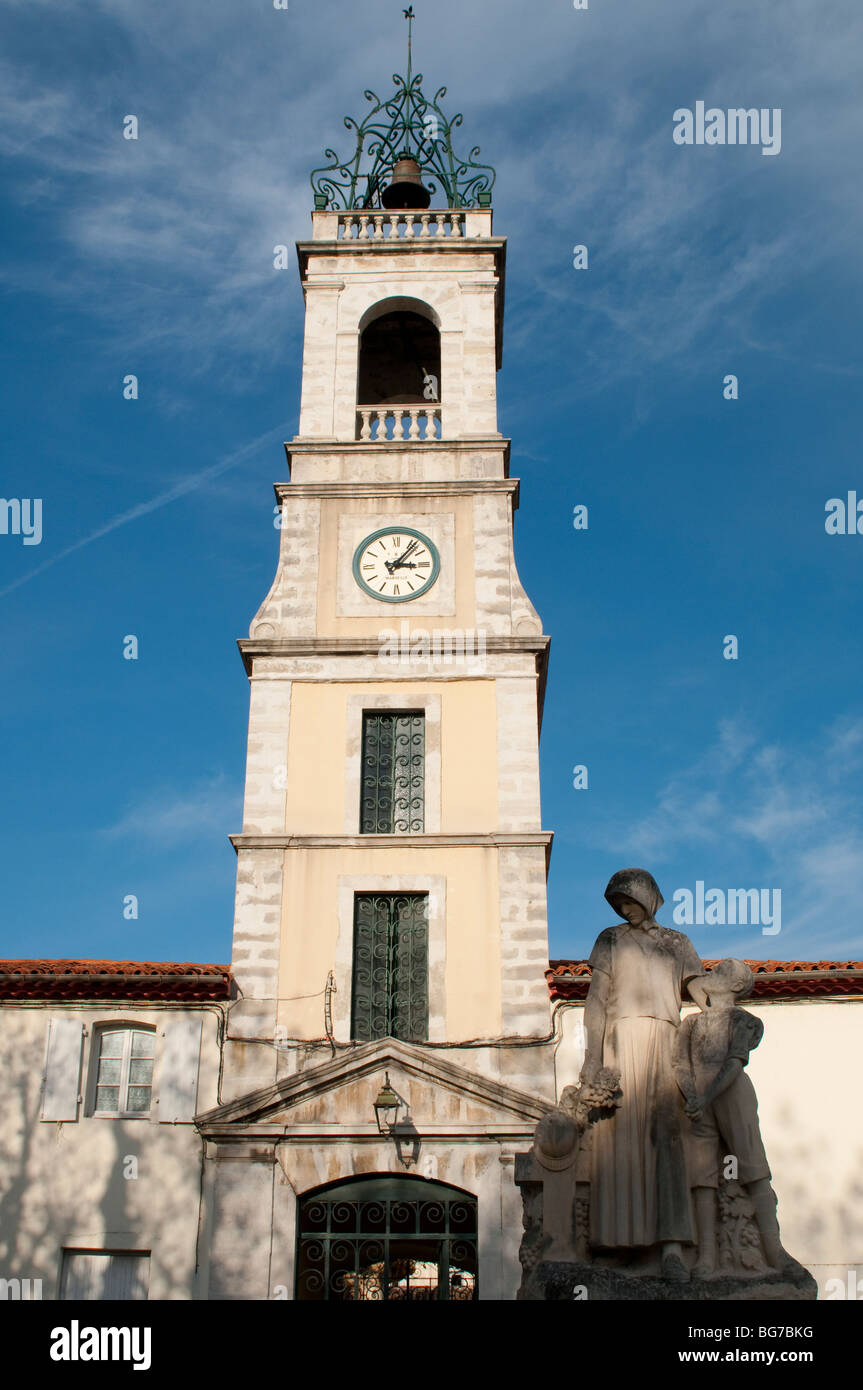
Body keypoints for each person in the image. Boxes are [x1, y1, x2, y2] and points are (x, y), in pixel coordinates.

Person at [579, 868, 709, 1280]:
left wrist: (722, 1010)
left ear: (650, 898)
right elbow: (596, 1000)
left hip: (665, 1039)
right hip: (621, 1038)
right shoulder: (610, 939)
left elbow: (700, 990)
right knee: (617, 1143)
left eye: (631, 900)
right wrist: (591, 1058)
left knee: (667, 1139)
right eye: (620, 903)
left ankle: (671, 1247)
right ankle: (617, 1243)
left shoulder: (677, 943)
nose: (625, 909)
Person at [672, 957, 791, 1276]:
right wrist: (692, 1096)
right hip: (698, 1097)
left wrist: (704, 1098)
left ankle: (773, 1249)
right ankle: (707, 1255)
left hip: (731, 1093)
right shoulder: (691, 1024)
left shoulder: (744, 1021)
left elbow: (735, 1062)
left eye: (719, 971)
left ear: (737, 985)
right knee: (702, 1175)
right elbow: (680, 1064)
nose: (710, 974)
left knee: (752, 1165)